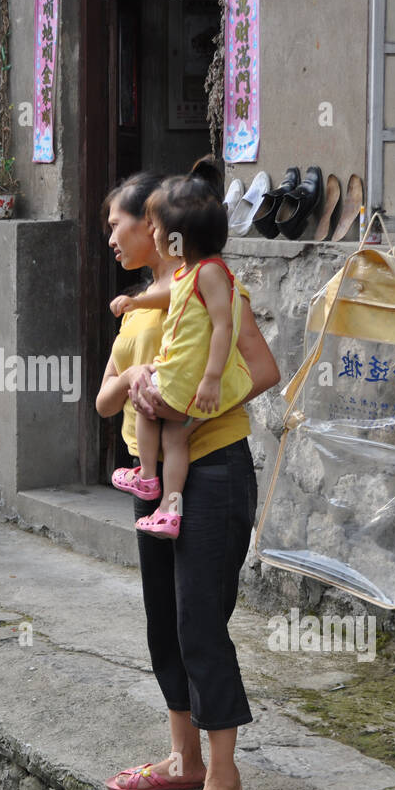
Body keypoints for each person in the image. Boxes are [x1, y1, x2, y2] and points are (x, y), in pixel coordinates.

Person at [95, 162, 280, 790]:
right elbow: (105, 396)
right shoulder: (146, 305)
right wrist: (141, 382)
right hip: (151, 480)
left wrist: (190, 403)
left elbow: (262, 368)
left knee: (201, 621)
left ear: (159, 225)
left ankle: (224, 783)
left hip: (214, 471)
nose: (116, 235)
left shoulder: (212, 287)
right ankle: (184, 757)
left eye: (124, 221)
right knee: (165, 624)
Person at [109, 160, 252, 541]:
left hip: (196, 406)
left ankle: (149, 480)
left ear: (174, 235)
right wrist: (136, 303)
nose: (152, 233)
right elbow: (166, 294)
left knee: (147, 401)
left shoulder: (210, 273)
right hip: (181, 392)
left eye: (155, 226)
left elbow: (224, 326)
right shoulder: (189, 276)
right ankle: (166, 504)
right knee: (171, 434)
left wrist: (211, 380)